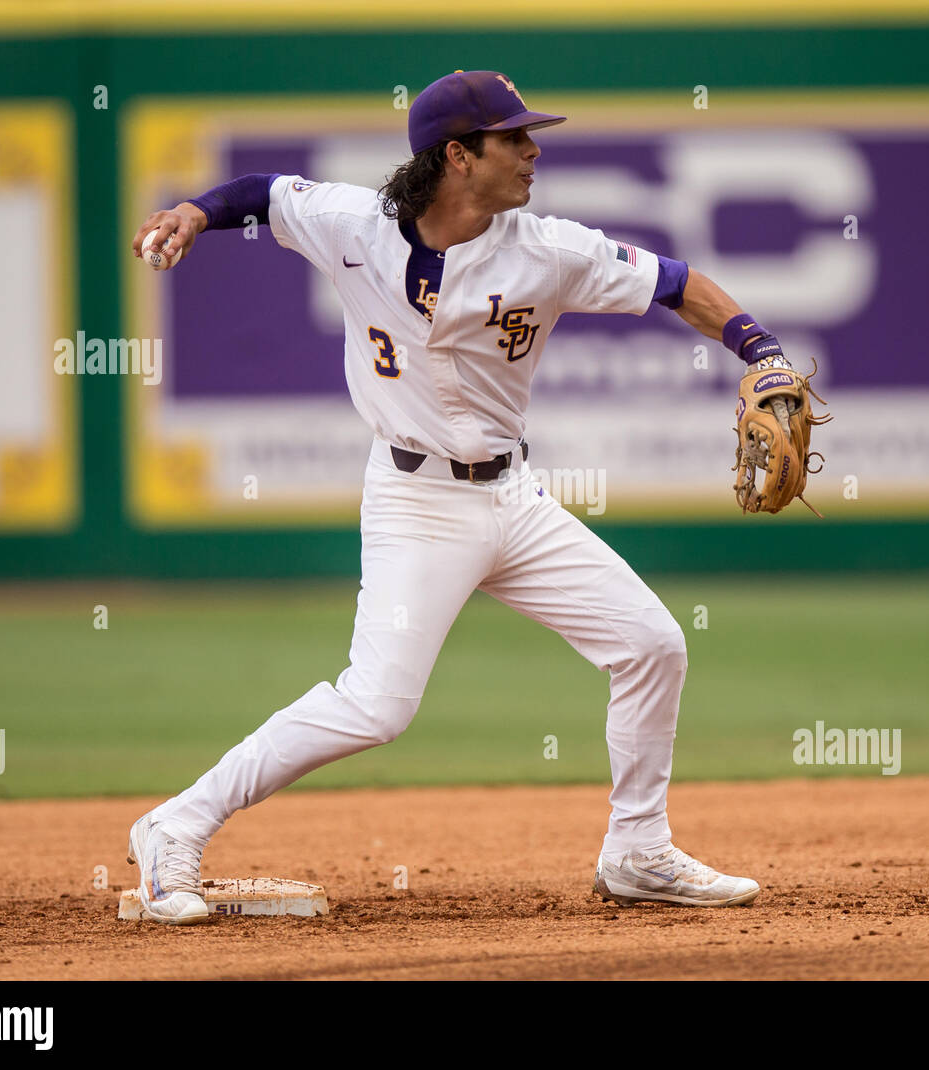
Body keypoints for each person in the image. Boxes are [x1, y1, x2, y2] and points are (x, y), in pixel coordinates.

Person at [127, 70, 784, 924]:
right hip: (415, 506)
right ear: (457, 156)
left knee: (652, 644)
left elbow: (675, 283)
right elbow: (262, 194)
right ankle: (174, 826)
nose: (533, 150)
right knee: (377, 705)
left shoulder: (548, 250)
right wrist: (195, 214)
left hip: (514, 500)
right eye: (514, 138)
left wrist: (761, 350)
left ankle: (637, 850)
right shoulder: (352, 225)